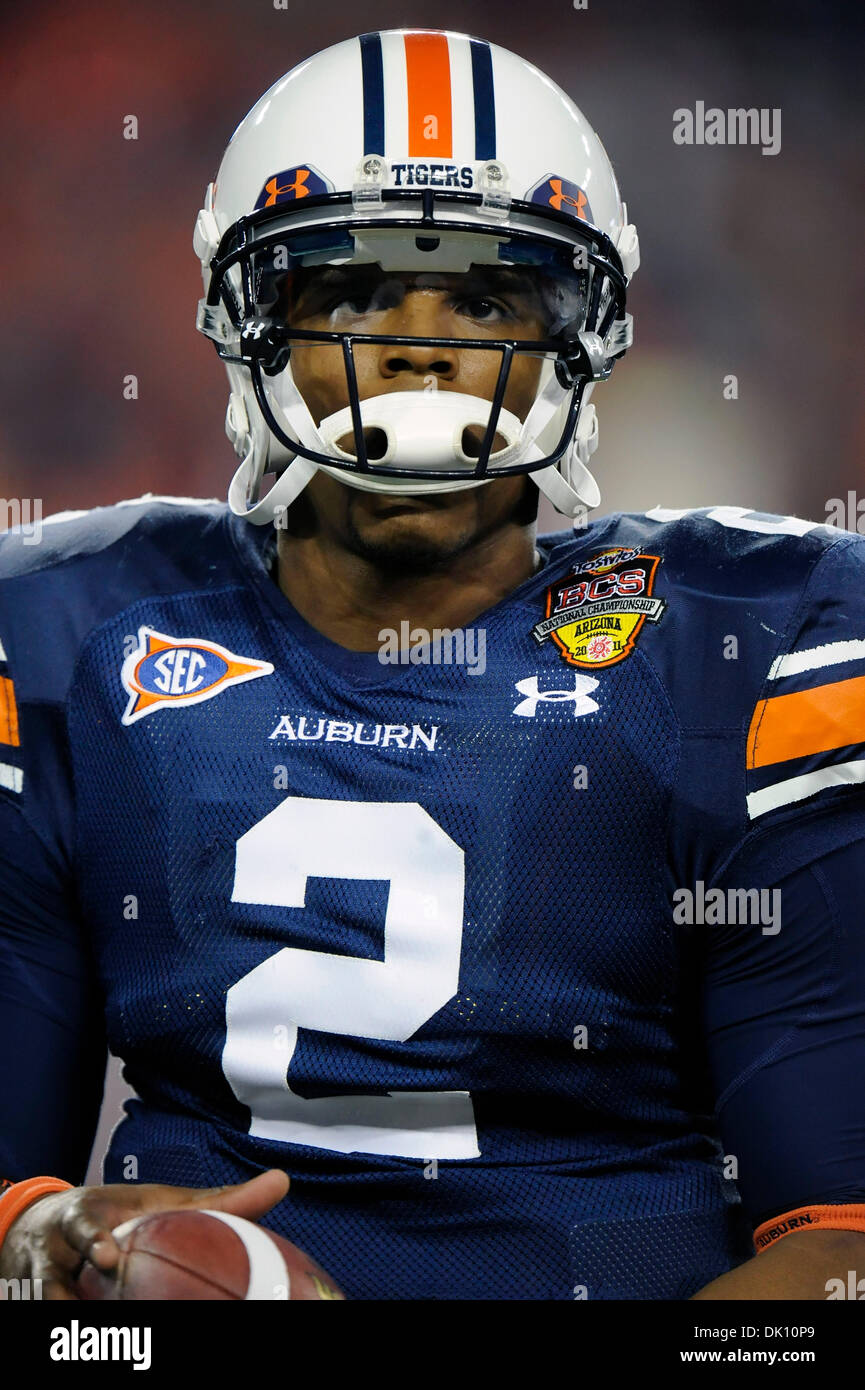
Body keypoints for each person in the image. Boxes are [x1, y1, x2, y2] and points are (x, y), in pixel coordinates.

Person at [1, 28, 864, 1301]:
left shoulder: (742, 643)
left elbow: (838, 1250)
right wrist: (45, 1256)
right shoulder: (68, 630)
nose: (416, 342)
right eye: (348, 291)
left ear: (584, 330)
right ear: (249, 323)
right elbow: (14, 1204)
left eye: (486, 294)